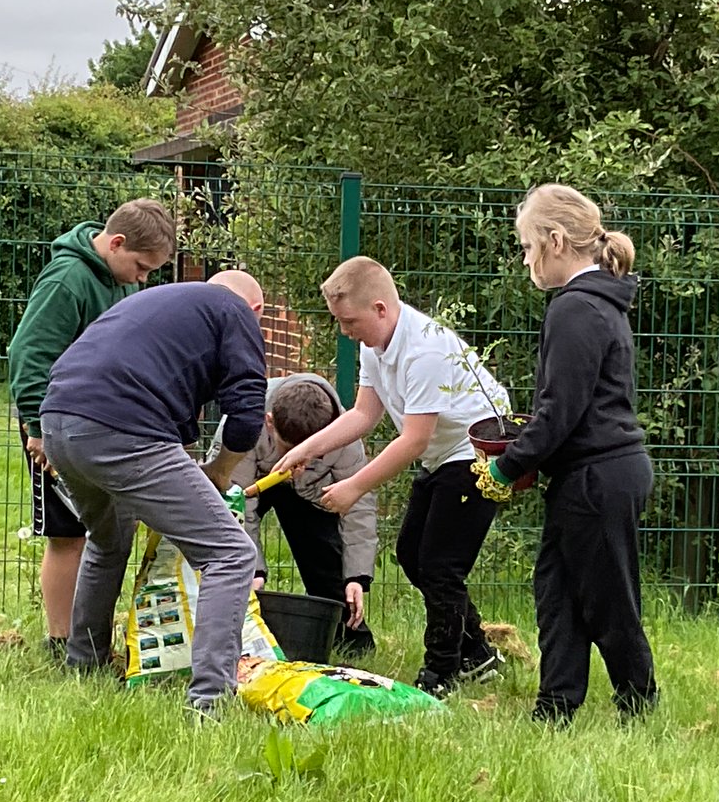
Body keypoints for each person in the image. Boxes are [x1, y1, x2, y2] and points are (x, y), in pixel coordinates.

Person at [276, 256, 508, 698]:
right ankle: (477, 651)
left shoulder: (425, 352)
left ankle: (441, 671)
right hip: (443, 453)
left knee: (440, 565)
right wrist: (305, 449)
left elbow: (414, 441)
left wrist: (354, 486)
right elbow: (364, 414)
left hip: (478, 452)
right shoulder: (374, 345)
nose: (346, 332)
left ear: (381, 309)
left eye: (350, 321)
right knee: (411, 553)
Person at [39, 271, 267, 718]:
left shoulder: (161, 303)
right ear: (255, 311)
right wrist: (219, 473)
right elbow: (246, 411)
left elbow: (168, 410)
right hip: (122, 429)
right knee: (230, 554)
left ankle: (84, 666)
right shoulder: (235, 310)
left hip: (58, 423)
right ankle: (210, 702)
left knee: (107, 540)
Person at [482, 183, 658, 725]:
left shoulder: (576, 308)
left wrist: (507, 465)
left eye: (528, 247)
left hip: (597, 476)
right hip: (592, 474)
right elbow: (568, 407)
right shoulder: (594, 303)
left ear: (556, 241)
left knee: (607, 600)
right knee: (558, 595)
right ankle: (555, 708)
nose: (527, 260)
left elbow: (562, 410)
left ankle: (639, 703)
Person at [7, 198, 176, 661]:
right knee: (68, 533)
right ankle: (61, 641)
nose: (144, 279)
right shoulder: (68, 280)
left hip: (103, 426)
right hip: (55, 425)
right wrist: (37, 429)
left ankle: (92, 637)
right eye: (141, 267)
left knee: (105, 530)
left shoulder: (120, 282)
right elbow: (28, 354)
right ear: (116, 243)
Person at [210, 373, 378, 657]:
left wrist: (357, 577)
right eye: (289, 451)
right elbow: (235, 506)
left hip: (312, 495)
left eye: (311, 455)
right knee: (225, 548)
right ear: (269, 421)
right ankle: (224, 635)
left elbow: (359, 507)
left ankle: (350, 640)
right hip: (253, 485)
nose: (298, 465)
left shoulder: (346, 436)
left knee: (327, 556)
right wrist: (255, 570)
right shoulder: (243, 423)